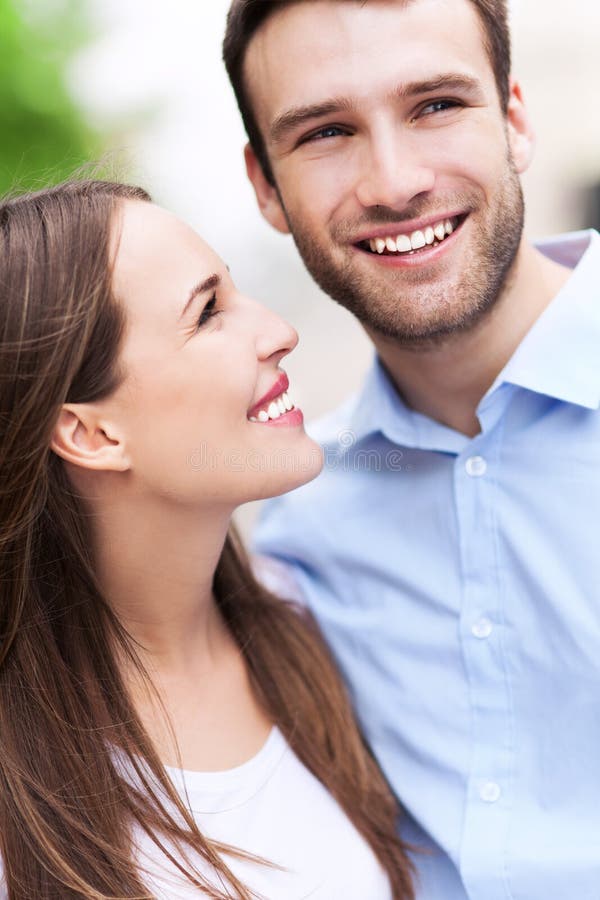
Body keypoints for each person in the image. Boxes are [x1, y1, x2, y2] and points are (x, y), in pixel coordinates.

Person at [222, 1, 600, 897]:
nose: (393, 182)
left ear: (514, 118)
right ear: (265, 186)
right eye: (325, 131)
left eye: (436, 105)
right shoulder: (292, 533)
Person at [0, 179, 415, 899]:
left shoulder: (318, 619)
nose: (278, 331)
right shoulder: (23, 802)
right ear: (90, 432)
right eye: (209, 313)